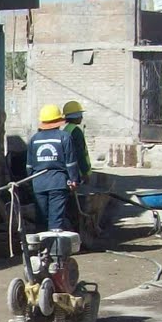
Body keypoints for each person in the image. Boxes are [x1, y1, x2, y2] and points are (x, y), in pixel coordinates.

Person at [26, 104, 80, 232]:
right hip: (58, 182)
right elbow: (71, 162)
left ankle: (42, 242)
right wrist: (74, 180)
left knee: (41, 218)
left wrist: (31, 182)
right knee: (56, 220)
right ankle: (55, 242)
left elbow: (29, 166)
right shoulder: (64, 137)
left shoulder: (34, 139)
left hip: (38, 183)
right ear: (58, 121)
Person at [60, 99, 94, 235]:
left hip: (69, 172)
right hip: (77, 172)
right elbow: (80, 154)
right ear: (75, 116)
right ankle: (77, 227)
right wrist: (85, 172)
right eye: (80, 115)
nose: (82, 117)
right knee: (77, 202)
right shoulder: (76, 132)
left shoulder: (65, 130)